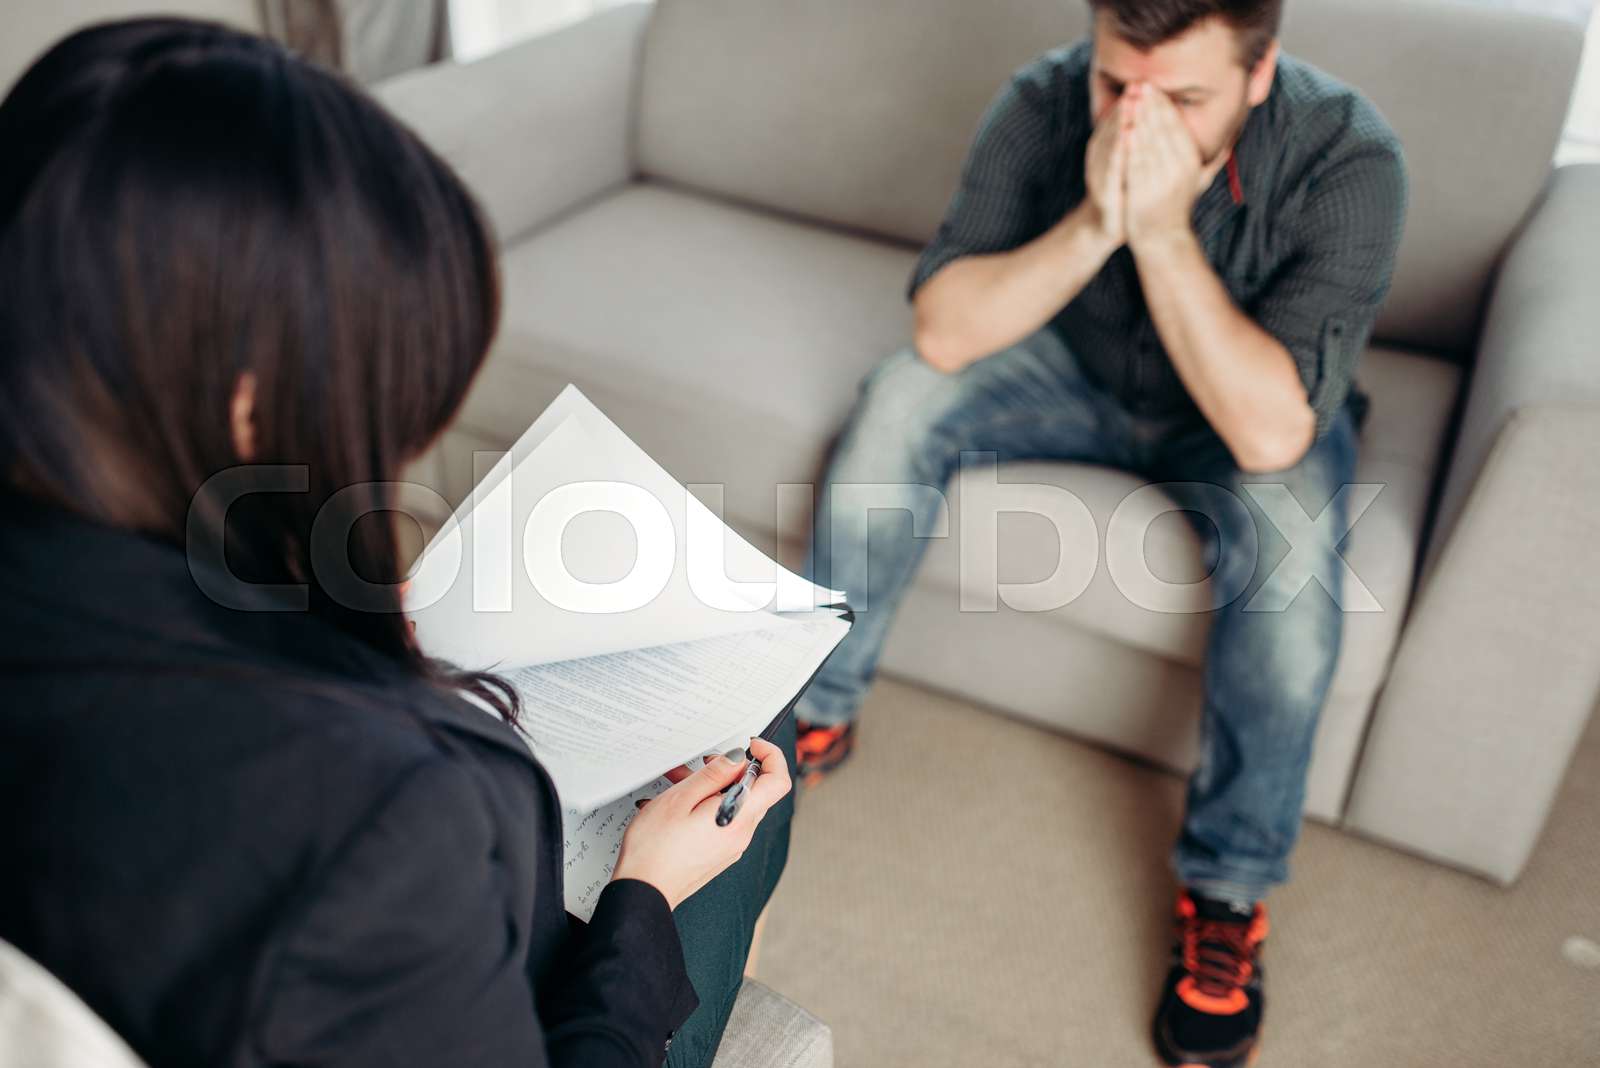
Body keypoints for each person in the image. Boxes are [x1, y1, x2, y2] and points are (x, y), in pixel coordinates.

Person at [0, 19, 791, 1068]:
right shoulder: (367, 824)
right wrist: (640, 898)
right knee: (753, 766)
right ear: (246, 406)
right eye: (385, 399)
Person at [794, 1, 1405, 1064]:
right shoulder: (1043, 98)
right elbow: (942, 332)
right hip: (1069, 373)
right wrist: (1097, 220)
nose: (1137, 120)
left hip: (1232, 409)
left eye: (1181, 98)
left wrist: (1163, 233)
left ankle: (1226, 892)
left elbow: (1269, 432)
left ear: (1258, 77)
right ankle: (818, 703)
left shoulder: (1348, 156)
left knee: (1295, 553)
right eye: (1117, 84)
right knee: (894, 400)